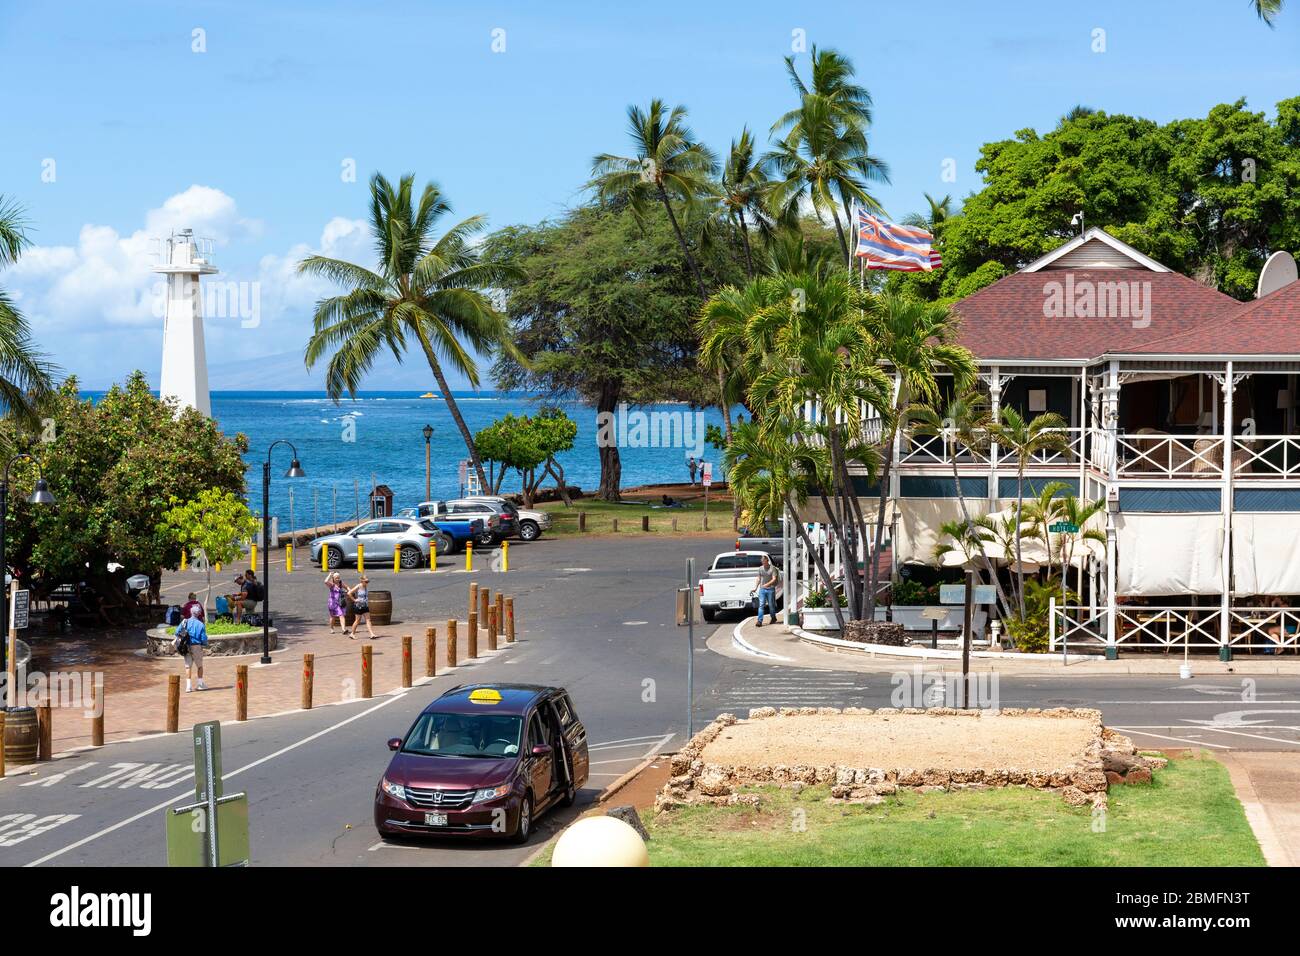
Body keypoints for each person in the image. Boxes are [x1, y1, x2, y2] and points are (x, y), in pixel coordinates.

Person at [175, 605, 209, 692]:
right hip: (196, 646)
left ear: (191, 612)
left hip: (186, 646)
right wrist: (204, 644)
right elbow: (203, 638)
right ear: (199, 614)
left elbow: (177, 632)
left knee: (188, 667)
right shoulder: (201, 624)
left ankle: (188, 686)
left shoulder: (185, 621)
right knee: (199, 666)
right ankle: (200, 684)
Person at [750, 554, 781, 628]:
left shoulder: (772, 568)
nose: (763, 563)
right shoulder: (760, 568)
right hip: (762, 589)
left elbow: (774, 579)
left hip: (770, 589)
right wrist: (755, 588)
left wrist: (767, 584)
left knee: (771, 605)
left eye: (764, 561)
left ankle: (773, 617)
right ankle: (759, 621)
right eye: (762, 561)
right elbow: (758, 578)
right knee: (761, 605)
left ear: (767, 561)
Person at [347, 575, 374, 639]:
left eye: (368, 582)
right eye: (366, 581)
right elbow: (349, 593)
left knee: (368, 620)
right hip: (358, 606)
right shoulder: (358, 586)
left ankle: (371, 634)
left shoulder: (365, 586)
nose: (367, 583)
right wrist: (354, 600)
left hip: (365, 606)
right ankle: (352, 634)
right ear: (362, 581)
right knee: (357, 621)